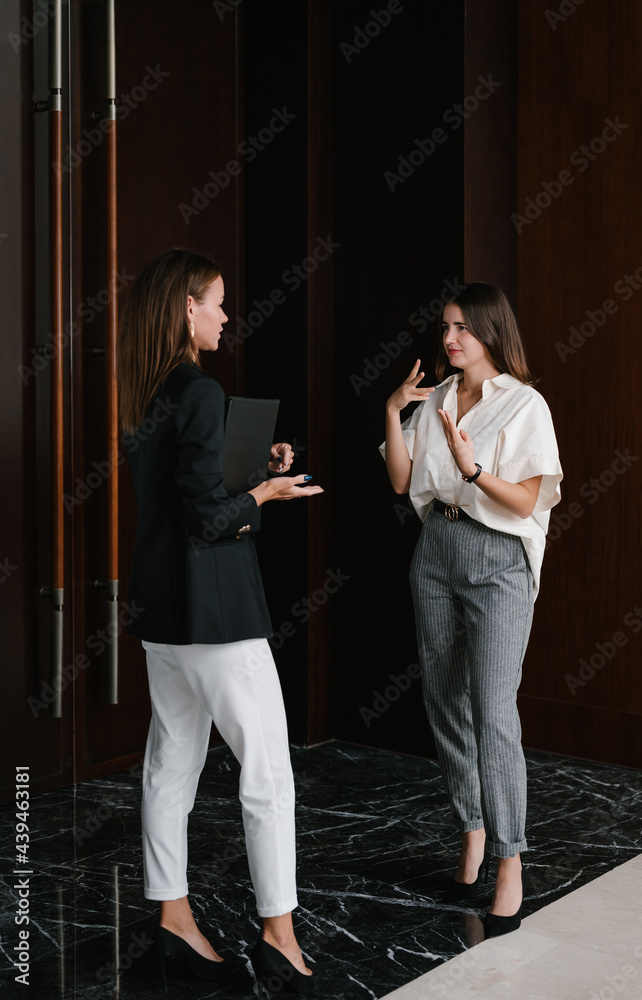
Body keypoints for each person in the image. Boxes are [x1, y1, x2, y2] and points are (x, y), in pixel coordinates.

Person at [117, 247, 322, 991]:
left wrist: (252, 474)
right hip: (218, 616)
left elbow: (188, 497)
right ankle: (278, 935)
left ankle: (173, 917)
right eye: (218, 302)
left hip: (163, 615)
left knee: (170, 764)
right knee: (267, 773)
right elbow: (209, 521)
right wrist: (267, 496)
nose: (227, 315)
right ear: (186, 309)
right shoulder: (200, 392)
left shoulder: (143, 391)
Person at [380, 281, 562, 937]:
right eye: (445, 328)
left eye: (460, 328)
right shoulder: (433, 401)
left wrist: (475, 468)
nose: (448, 339)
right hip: (435, 550)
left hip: (496, 559)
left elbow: (527, 502)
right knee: (443, 702)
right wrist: (394, 410)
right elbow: (402, 483)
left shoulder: (524, 404)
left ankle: (510, 858)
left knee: (492, 710)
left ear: (489, 331)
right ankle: (472, 829)